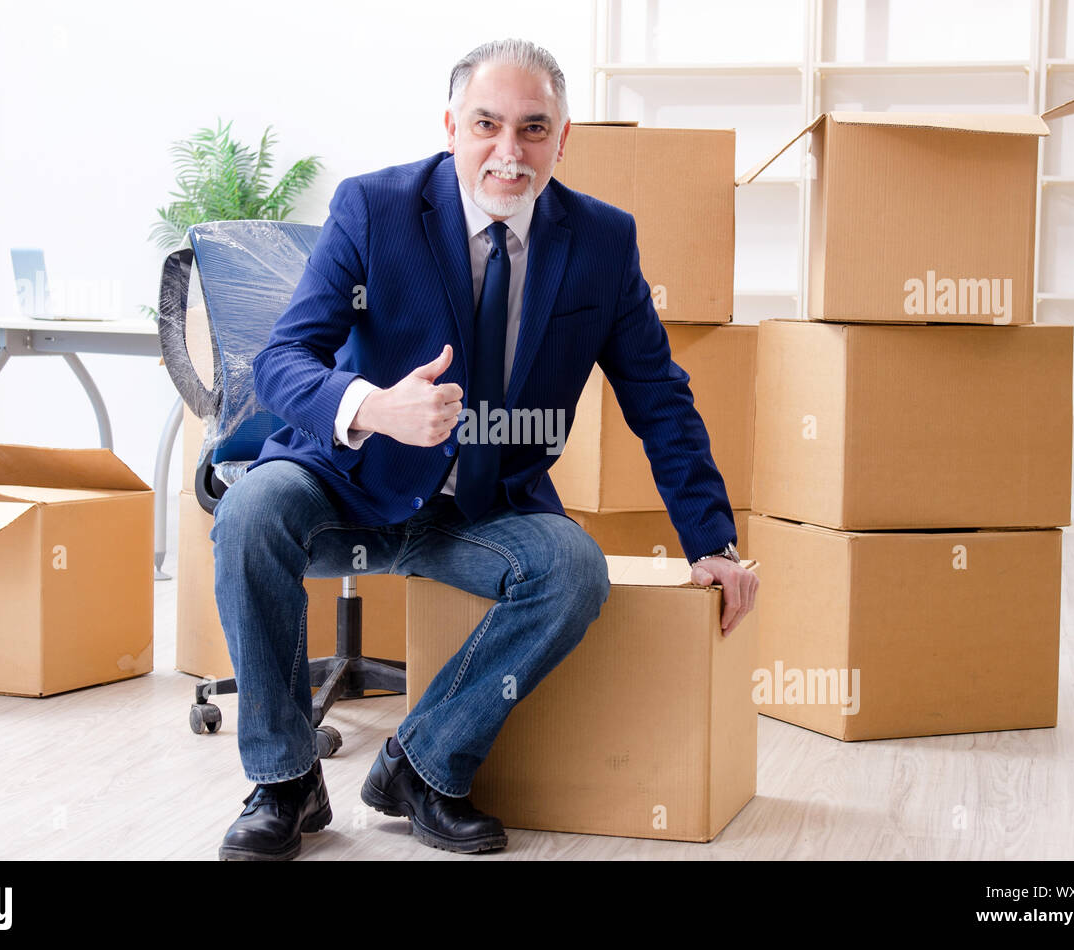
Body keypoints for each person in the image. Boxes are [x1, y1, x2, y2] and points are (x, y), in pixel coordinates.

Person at [210, 38, 758, 861]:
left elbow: (658, 395)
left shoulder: (602, 243)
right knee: (253, 509)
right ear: (452, 128)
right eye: (487, 125)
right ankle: (285, 780)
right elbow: (284, 359)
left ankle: (422, 764)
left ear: (563, 139)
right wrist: (373, 407)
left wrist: (710, 539)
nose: (510, 152)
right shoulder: (374, 208)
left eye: (534, 128)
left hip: (482, 509)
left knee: (572, 568)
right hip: (350, 487)